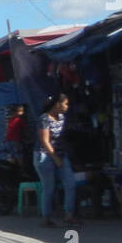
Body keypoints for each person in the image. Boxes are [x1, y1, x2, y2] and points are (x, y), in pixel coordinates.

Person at [35, 94, 78, 229]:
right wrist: (55, 158)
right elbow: (45, 141)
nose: (67, 107)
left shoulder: (62, 118)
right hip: (45, 156)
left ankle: (68, 214)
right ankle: (46, 217)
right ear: (57, 105)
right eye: (65, 104)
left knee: (70, 183)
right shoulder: (44, 119)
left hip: (60, 154)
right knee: (49, 187)